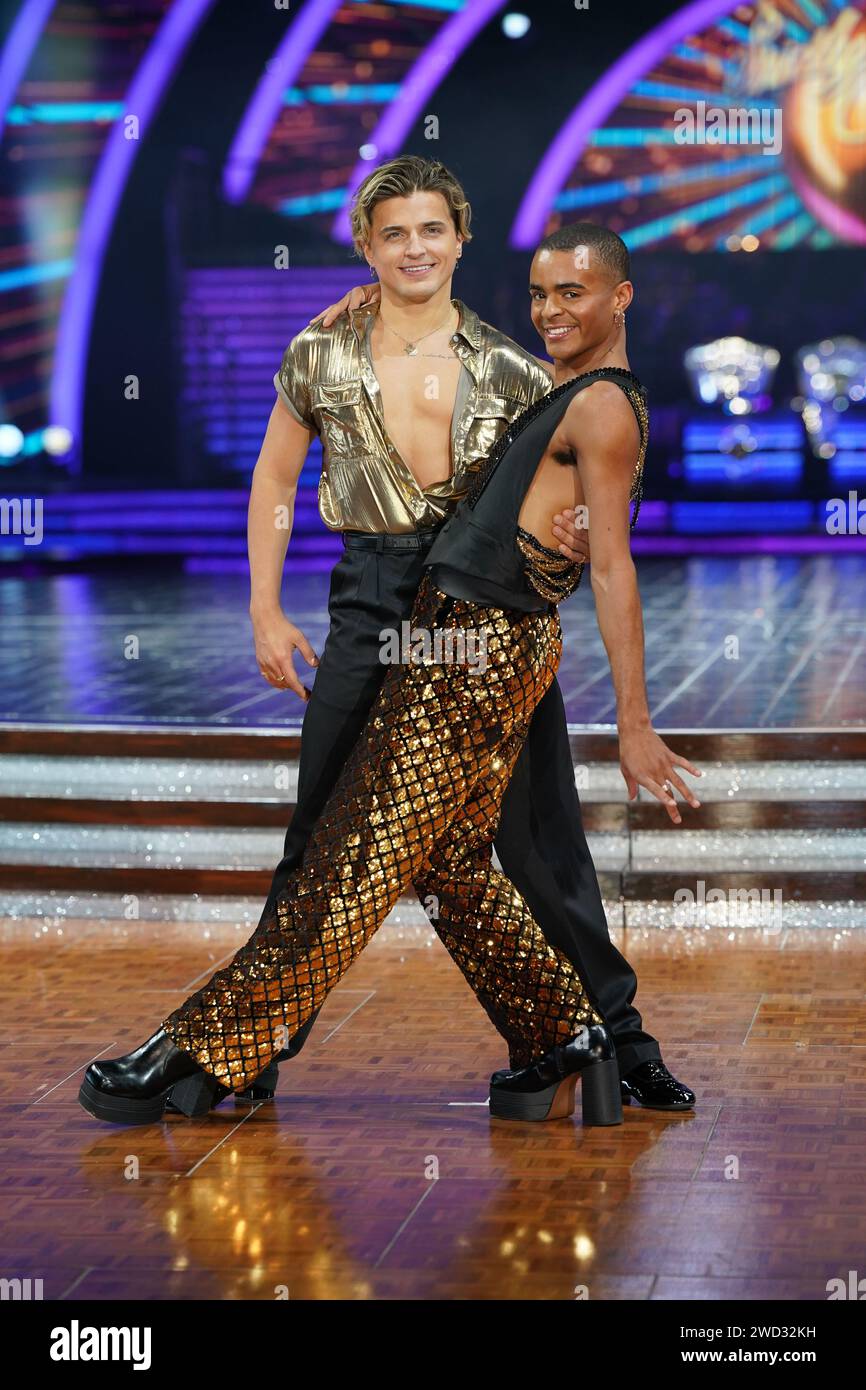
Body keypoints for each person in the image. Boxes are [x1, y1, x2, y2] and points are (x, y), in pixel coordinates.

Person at [78, 221, 701, 1132]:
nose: (550, 310)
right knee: (446, 863)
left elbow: (612, 565)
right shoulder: (552, 386)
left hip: (475, 651)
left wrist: (635, 722)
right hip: (441, 634)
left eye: (572, 293)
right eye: (539, 293)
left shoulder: (601, 405)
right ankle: (564, 1033)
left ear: (621, 296)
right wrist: (361, 307)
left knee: (353, 860)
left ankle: (205, 1044)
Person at [245, 158, 697, 1110]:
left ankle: (615, 1039)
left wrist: (572, 541)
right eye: (393, 234)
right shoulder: (321, 349)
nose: (415, 248)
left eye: (431, 231)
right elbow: (277, 483)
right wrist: (264, 605)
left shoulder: (517, 368)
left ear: (461, 241)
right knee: (319, 834)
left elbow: (588, 485)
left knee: (540, 840)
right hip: (370, 605)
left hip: (480, 615)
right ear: (368, 246)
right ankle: (252, 1042)